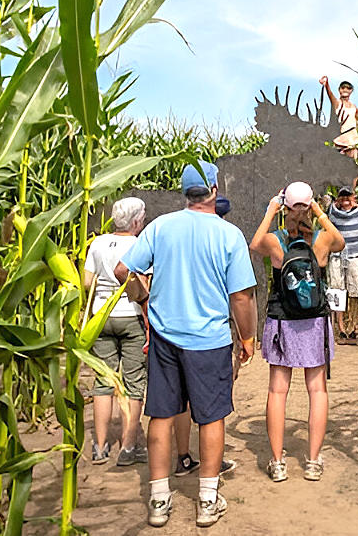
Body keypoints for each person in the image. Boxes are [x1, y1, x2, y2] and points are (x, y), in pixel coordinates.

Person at [115, 162, 257, 528]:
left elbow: (122, 271)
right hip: (208, 340)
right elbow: (241, 297)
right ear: (214, 189)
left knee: (161, 414)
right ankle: (207, 498)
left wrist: (142, 299)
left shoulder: (161, 227)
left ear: (185, 192)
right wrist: (246, 337)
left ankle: (159, 499)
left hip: (164, 338)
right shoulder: (228, 235)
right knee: (211, 417)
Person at [249, 181, 345, 482]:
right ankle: (314, 461)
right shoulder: (322, 240)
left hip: (282, 320)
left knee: (278, 391)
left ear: (286, 206)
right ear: (311, 206)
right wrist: (320, 212)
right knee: (317, 390)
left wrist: (270, 210)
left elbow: (254, 244)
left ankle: (277, 463)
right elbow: (341, 241)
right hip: (314, 321)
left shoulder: (275, 241)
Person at [83, 197, 148, 466]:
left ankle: (99, 447)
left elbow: (87, 282)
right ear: (135, 221)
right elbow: (142, 283)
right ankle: (128, 447)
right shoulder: (139, 244)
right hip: (130, 316)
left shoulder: (97, 243)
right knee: (133, 383)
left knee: (103, 381)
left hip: (101, 317)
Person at [324, 186, 358, 342]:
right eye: (342, 197)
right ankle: (340, 328)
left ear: (355, 198)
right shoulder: (331, 211)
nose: (345, 200)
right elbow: (321, 193)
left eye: (349, 197)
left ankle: (353, 327)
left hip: (354, 256)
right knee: (337, 292)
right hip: (336, 257)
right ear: (338, 199)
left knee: (356, 292)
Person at [320, 76, 358, 160]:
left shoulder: (354, 107)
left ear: (351, 91)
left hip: (352, 143)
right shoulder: (337, 104)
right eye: (343, 87)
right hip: (340, 143)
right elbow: (330, 95)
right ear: (339, 90)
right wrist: (326, 85)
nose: (345, 90)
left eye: (348, 88)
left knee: (354, 169)